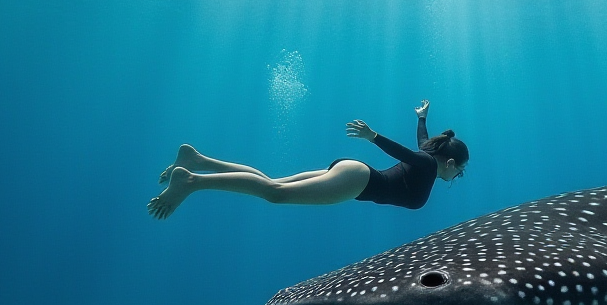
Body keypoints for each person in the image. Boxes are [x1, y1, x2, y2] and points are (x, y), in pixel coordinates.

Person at [148, 100, 467, 219]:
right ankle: (191, 181)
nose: (456, 178)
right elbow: (405, 154)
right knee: (275, 194)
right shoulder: (428, 164)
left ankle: (197, 159)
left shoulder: (428, 157)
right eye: (460, 172)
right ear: (450, 164)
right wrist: (374, 137)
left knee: (270, 183)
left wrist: (422, 117)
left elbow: (421, 142)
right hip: (357, 181)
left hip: (353, 172)